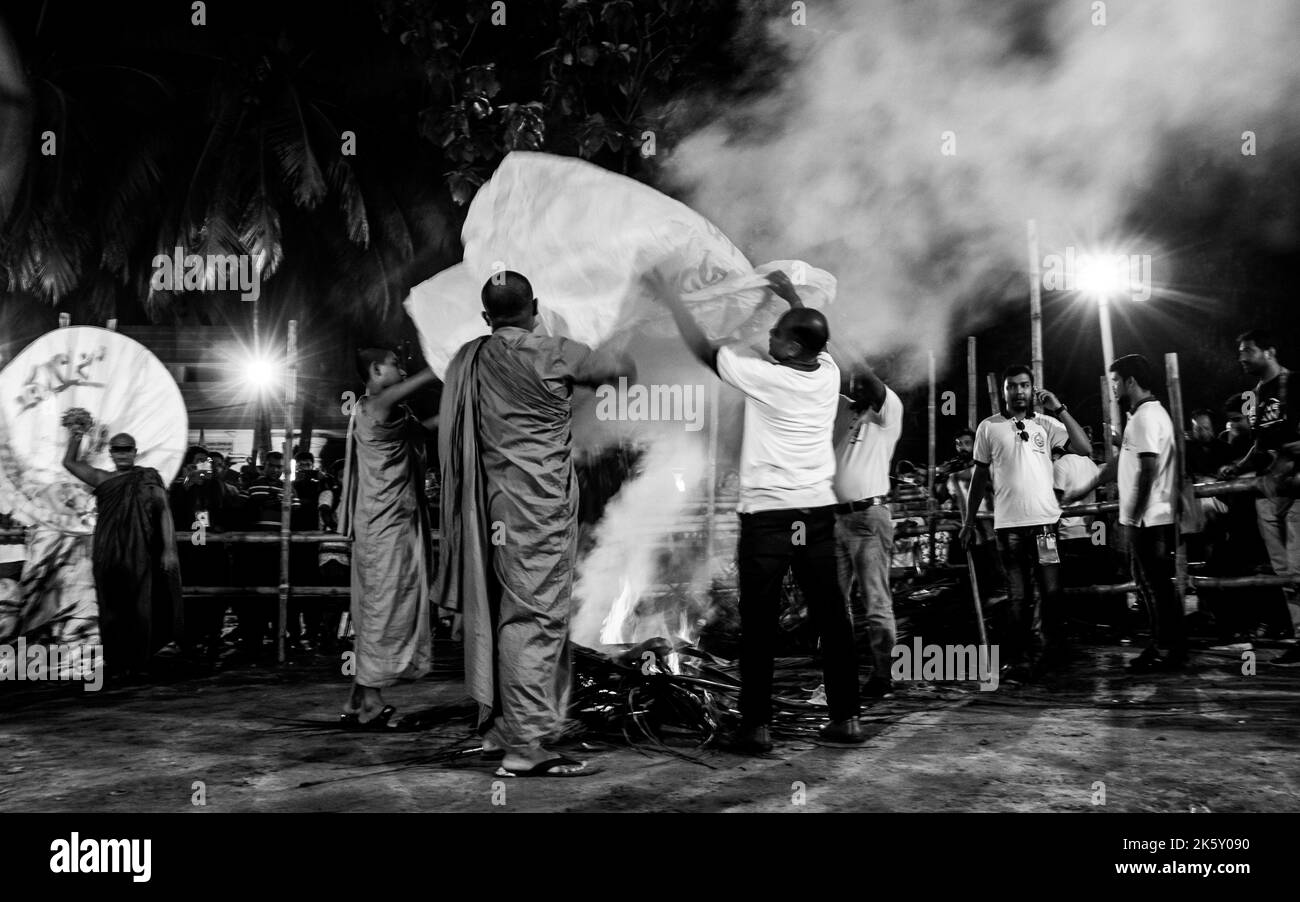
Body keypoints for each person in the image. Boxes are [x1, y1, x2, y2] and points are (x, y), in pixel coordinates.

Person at [653, 267, 862, 751]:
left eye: (777, 334)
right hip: (816, 518)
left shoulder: (767, 379)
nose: (769, 336)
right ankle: (847, 719)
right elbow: (816, 337)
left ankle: (757, 728)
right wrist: (789, 296)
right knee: (833, 619)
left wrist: (672, 300)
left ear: (792, 349)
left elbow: (705, 351)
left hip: (769, 520)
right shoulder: (827, 374)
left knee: (759, 626)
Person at [437, 271, 633, 776]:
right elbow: (621, 369)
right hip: (538, 513)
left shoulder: (472, 357)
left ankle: (503, 727)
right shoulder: (554, 352)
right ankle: (525, 747)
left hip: (497, 508)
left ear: (486, 317)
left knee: (511, 613)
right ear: (536, 307)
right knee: (535, 620)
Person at [960, 364, 1091, 680]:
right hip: (1009, 528)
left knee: (1052, 592)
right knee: (1017, 596)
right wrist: (967, 521)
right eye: (1012, 386)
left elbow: (1085, 448)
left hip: (1045, 526)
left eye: (1023, 385)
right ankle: (1018, 658)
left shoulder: (1047, 424)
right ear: (1004, 392)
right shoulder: (989, 427)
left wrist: (1058, 407)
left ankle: (1053, 655)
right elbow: (979, 476)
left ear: (1033, 389)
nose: (1018, 391)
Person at [338, 346, 439, 727]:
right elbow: (417, 384)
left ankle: (359, 700)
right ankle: (373, 704)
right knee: (383, 608)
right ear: (377, 369)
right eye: (396, 364)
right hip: (384, 526)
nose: (402, 368)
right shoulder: (374, 405)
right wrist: (446, 360)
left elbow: (424, 430)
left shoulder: (389, 411)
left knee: (382, 607)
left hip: (394, 523)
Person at [1068, 355, 1185, 671]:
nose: (1114, 387)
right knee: (1151, 585)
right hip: (1149, 516)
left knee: (1155, 585)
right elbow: (1122, 464)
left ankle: (1167, 649)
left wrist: (1133, 516)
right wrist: (1086, 486)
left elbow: (1148, 469)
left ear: (1130, 381)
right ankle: (1163, 646)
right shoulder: (1142, 416)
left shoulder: (1147, 417)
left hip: (1149, 518)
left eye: (1117, 380)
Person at [62, 428, 182, 679]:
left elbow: (164, 513)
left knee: (141, 607)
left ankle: (140, 660)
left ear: (135, 452)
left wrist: (169, 550)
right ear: (111, 453)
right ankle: (116, 661)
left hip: (141, 553)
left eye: (127, 448)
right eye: (117, 449)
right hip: (108, 554)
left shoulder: (148, 478)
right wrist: (76, 433)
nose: (123, 453)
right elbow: (70, 462)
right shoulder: (103, 479)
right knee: (111, 606)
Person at [1217, 330, 1300, 665]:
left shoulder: (1294, 384)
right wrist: (1238, 468)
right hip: (1271, 489)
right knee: (1284, 569)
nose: (1242, 357)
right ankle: (1298, 635)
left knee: (1296, 563)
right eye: (1240, 352)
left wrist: (1287, 462)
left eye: (1248, 350)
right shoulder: (1258, 394)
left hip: (1294, 485)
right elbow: (1260, 443)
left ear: (1270, 350)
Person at [833, 358, 902, 699]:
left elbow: (873, 385)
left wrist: (851, 351)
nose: (855, 387)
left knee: (875, 600)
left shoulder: (888, 411)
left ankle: (883, 676)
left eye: (862, 382)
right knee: (834, 602)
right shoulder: (846, 411)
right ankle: (841, 672)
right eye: (853, 381)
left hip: (869, 517)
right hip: (837, 518)